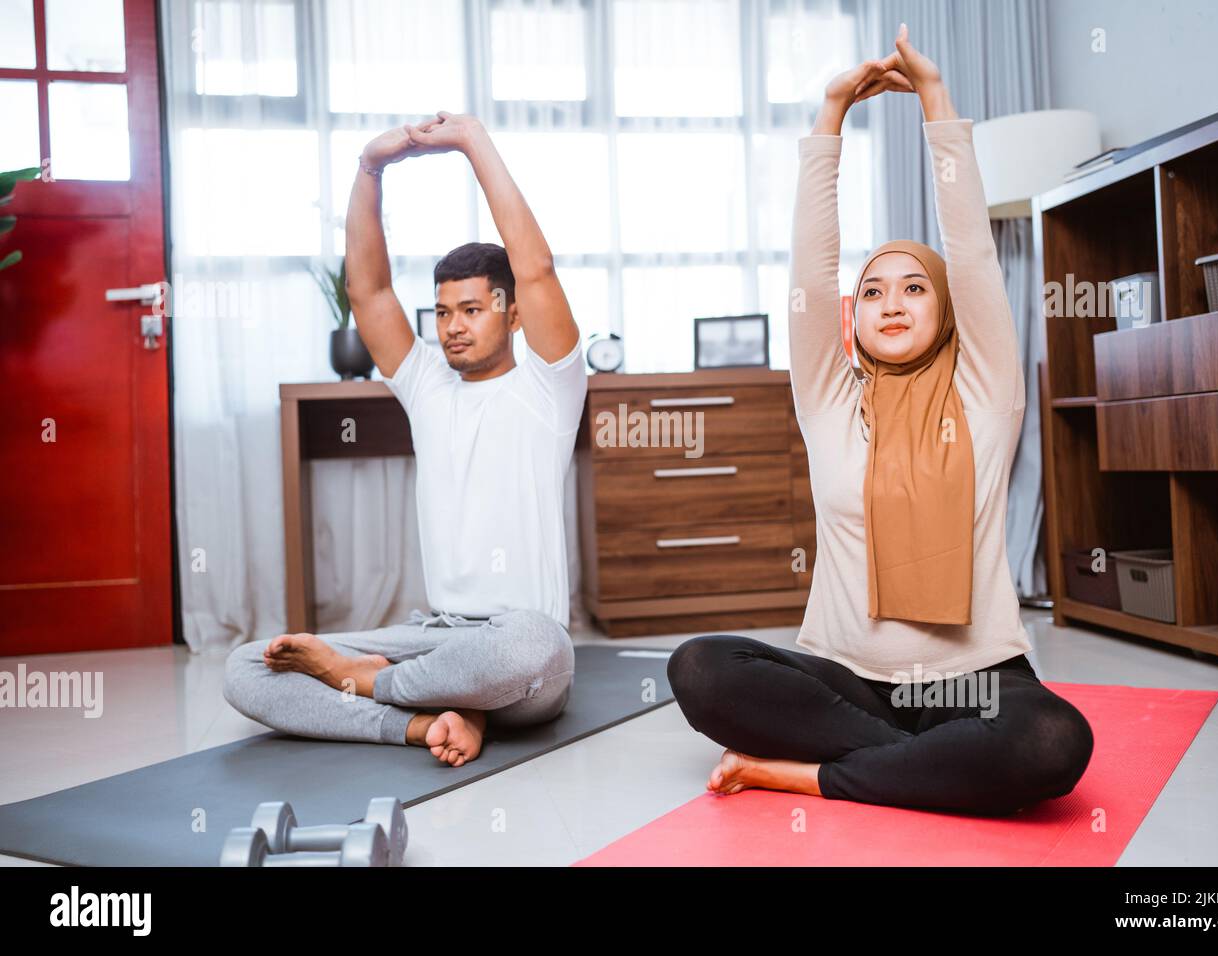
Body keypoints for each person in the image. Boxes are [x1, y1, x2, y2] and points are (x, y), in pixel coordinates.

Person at [667, 25, 1095, 816]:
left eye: (912, 288)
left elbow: (969, 248)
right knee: (697, 668)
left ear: (946, 307)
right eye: (872, 292)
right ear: (851, 317)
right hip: (847, 678)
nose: (890, 302)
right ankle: (929, 769)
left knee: (1053, 741)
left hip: (976, 679)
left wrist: (937, 103)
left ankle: (811, 774)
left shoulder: (985, 391)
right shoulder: (831, 399)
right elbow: (811, 263)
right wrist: (829, 121)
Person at [223, 112, 586, 768]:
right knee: (247, 667)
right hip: (433, 640)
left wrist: (472, 141)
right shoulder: (427, 386)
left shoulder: (549, 388)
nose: (452, 327)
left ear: (510, 313)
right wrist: (369, 167)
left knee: (536, 646)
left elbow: (536, 270)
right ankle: (429, 724)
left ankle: (367, 684)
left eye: (472, 310)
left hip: (515, 647)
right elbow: (368, 289)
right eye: (443, 312)